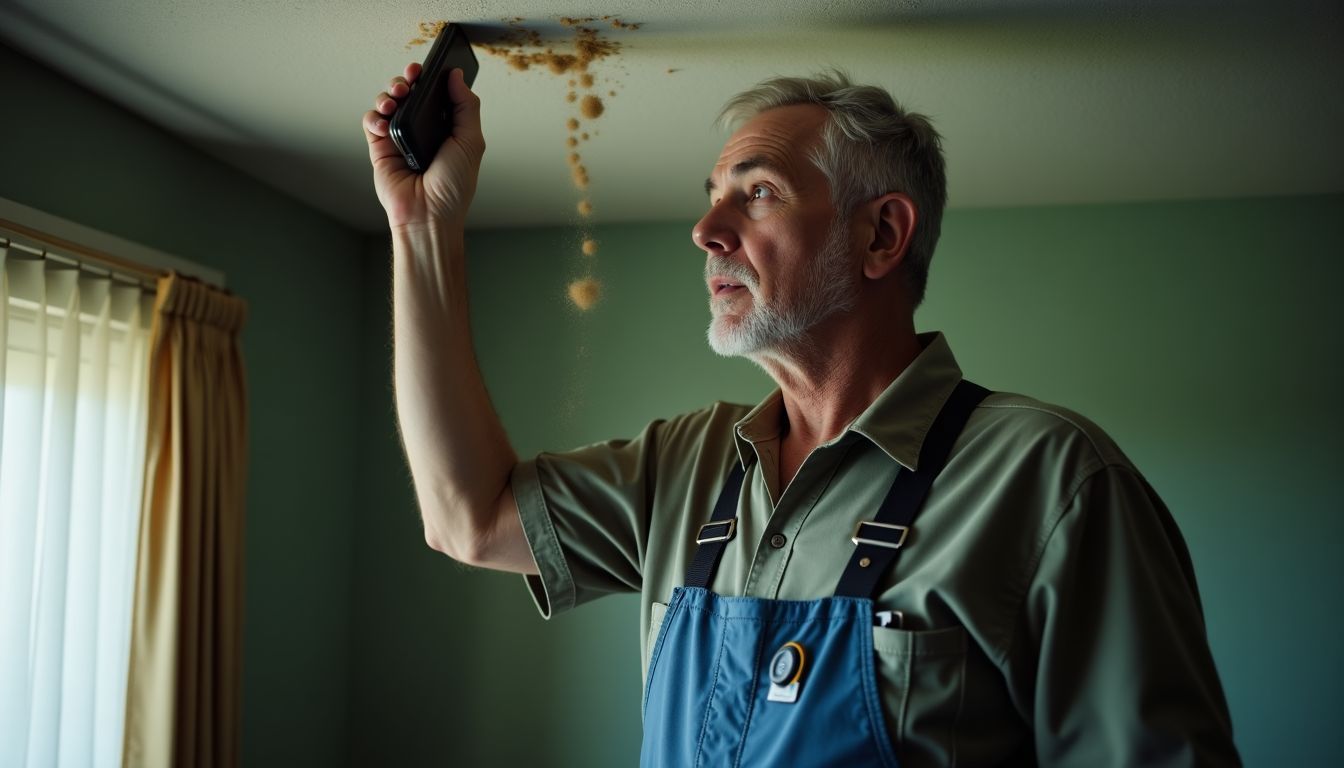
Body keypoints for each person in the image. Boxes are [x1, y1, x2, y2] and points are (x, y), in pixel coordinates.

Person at [363, 63, 1242, 766]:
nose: (707, 229)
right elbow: (468, 516)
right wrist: (422, 228)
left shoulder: (1053, 481)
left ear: (880, 237)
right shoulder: (687, 464)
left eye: (757, 193)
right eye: (713, 194)